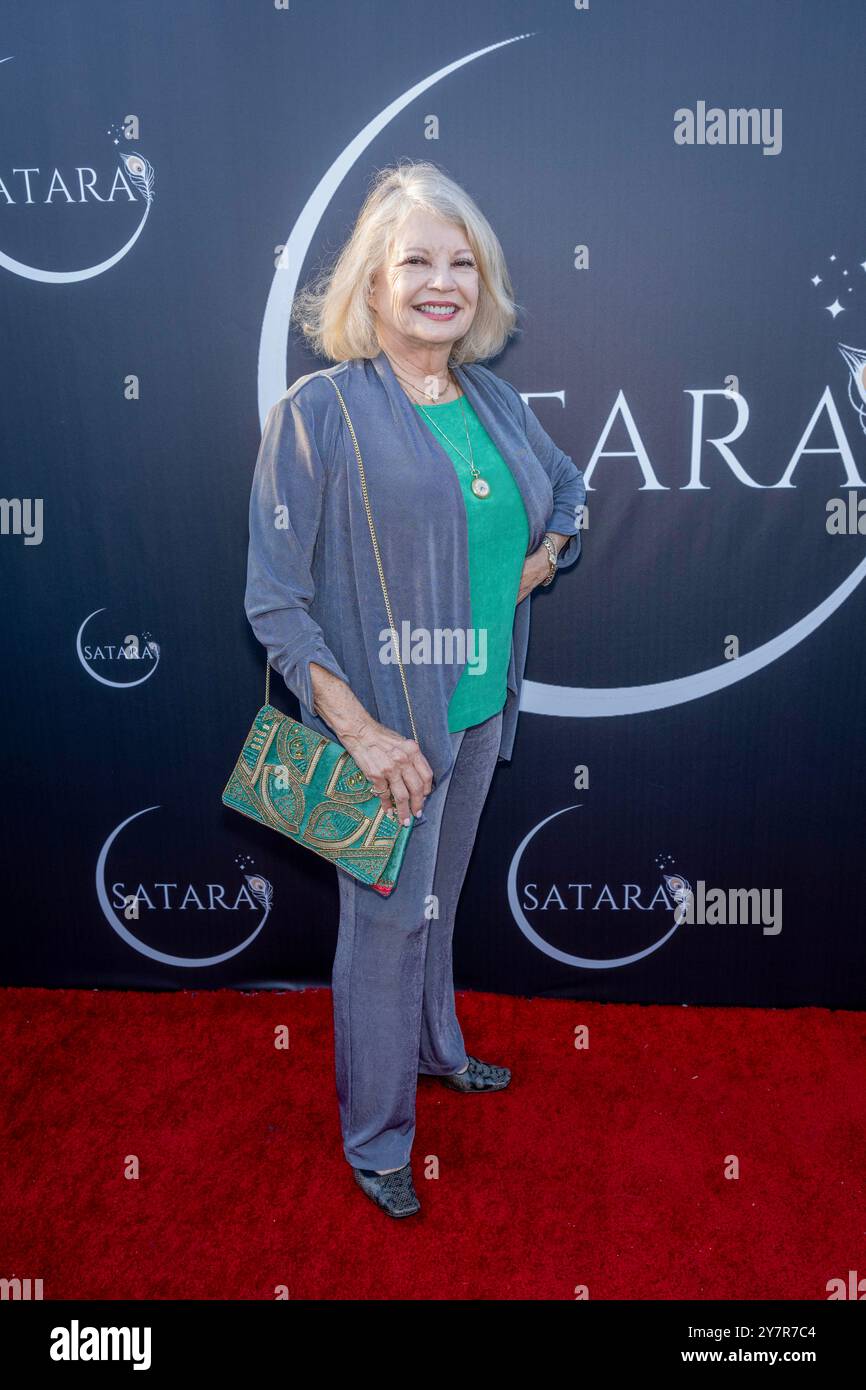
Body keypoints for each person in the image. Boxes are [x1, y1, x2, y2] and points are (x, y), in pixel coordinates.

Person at [244, 159, 586, 1218]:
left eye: (461, 263)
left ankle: (438, 1050)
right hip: (382, 734)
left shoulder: (488, 396)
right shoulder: (322, 411)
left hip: (476, 711)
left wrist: (546, 554)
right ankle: (377, 1136)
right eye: (416, 263)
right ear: (372, 286)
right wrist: (358, 734)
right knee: (383, 927)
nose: (443, 282)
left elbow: (563, 486)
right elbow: (273, 599)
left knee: (433, 909)